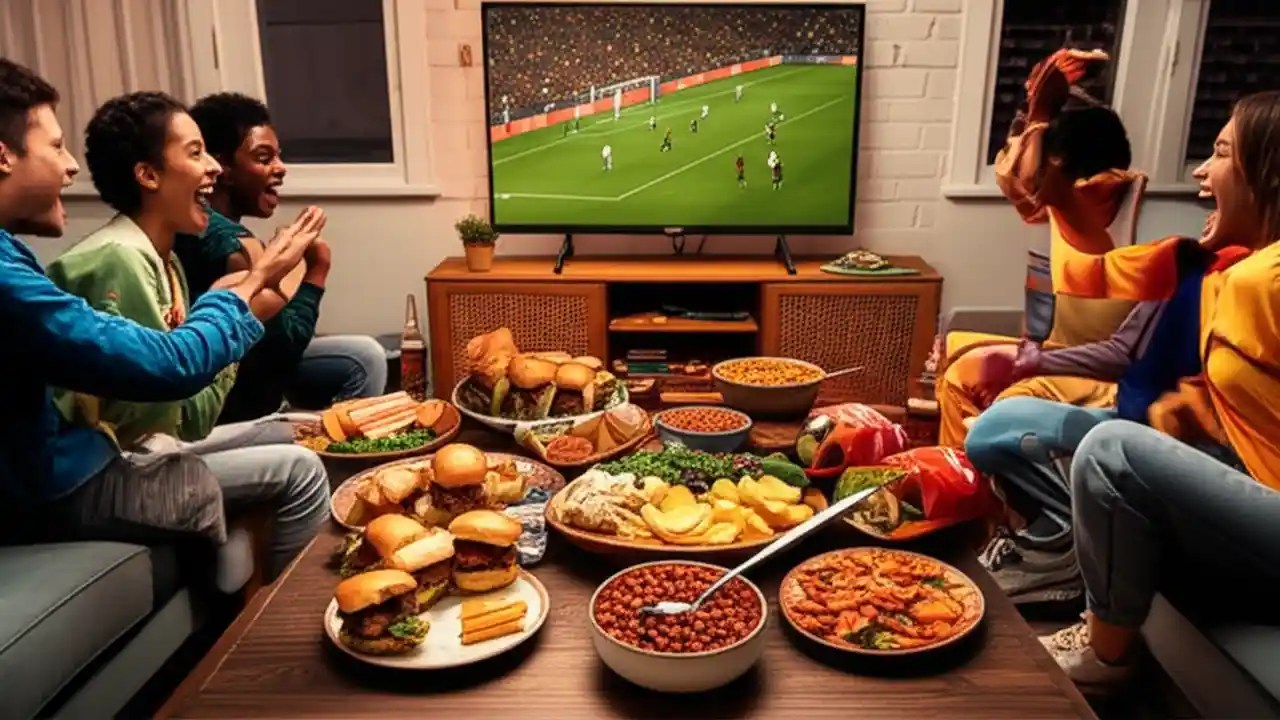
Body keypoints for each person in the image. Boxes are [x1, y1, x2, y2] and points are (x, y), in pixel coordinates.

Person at [0, 60, 327, 580]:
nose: (68, 166)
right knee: (302, 467)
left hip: (92, 456)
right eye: (55, 146)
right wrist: (249, 290)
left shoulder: (166, 258)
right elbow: (165, 387)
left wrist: (244, 294)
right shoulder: (107, 260)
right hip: (69, 479)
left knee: (307, 432)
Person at [1043, 91, 1280, 694]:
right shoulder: (1230, 260)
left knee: (1112, 450)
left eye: (1222, 152)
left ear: (1268, 173)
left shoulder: (1261, 276)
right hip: (1255, 489)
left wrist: (1052, 184)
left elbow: (1089, 276)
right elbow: (1087, 275)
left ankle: (1106, 657)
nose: (1200, 169)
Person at [937, 50, 1146, 448]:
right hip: (1061, 349)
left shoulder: (1099, 188)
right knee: (957, 352)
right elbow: (1018, 179)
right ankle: (963, 481)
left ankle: (985, 492)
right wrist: (1036, 110)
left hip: (1104, 376)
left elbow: (1025, 181)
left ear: (1059, 160)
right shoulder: (1076, 193)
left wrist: (1042, 110)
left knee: (985, 387)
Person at [182, 93, 388, 422]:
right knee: (364, 362)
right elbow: (283, 352)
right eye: (264, 158)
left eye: (279, 156)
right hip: (237, 401)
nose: (281, 168)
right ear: (221, 167)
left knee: (364, 355)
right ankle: (339, 458)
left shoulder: (204, 225)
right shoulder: (233, 244)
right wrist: (316, 270)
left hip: (244, 367)